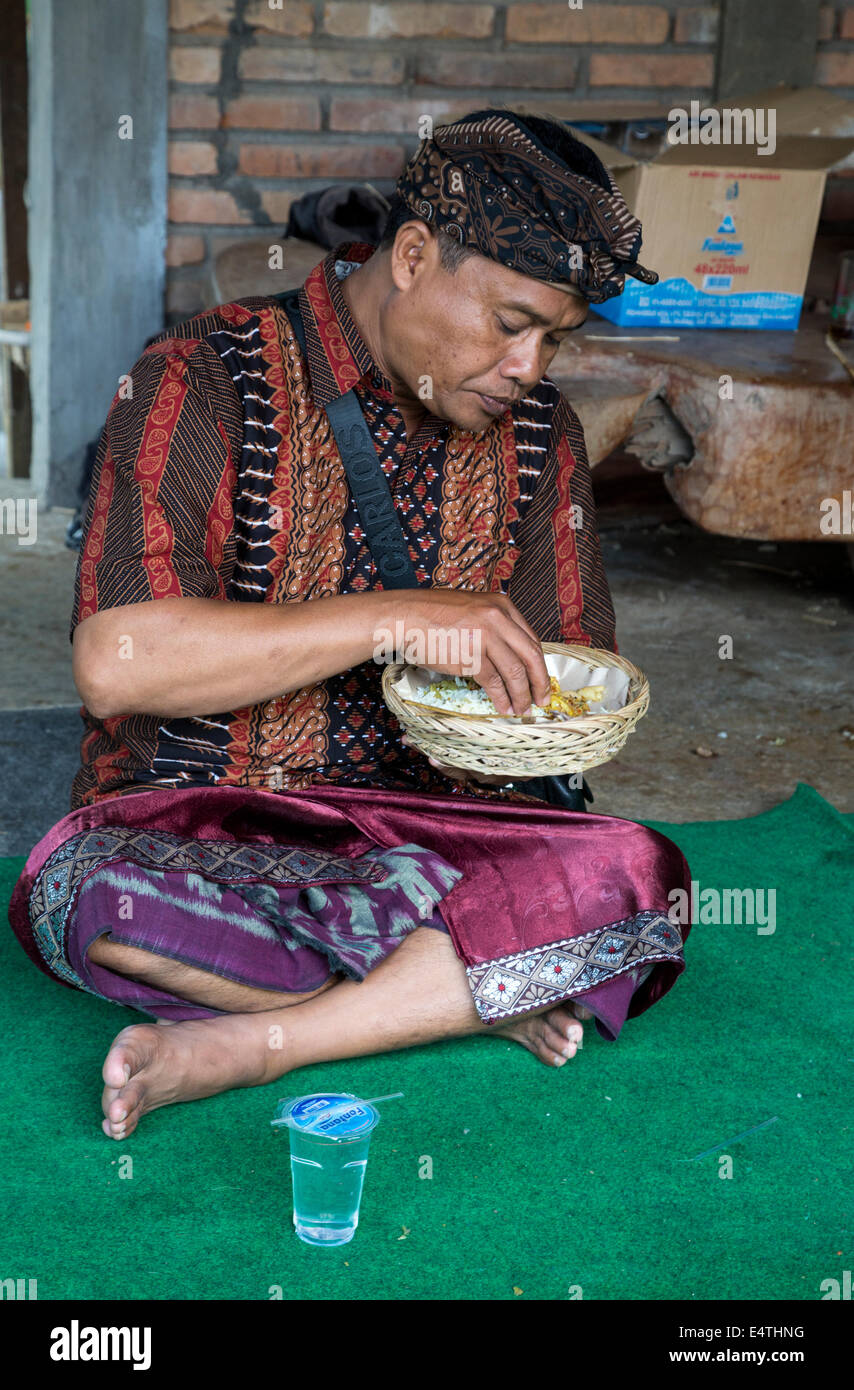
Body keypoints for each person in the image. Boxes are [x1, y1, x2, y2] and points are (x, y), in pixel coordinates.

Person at [9, 109, 691, 1141]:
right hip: (201, 838)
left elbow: (567, 676)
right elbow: (118, 662)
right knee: (89, 896)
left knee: (637, 877)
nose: (529, 365)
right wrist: (394, 619)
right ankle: (469, 984)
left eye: (555, 336)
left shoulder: (539, 433)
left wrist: (531, 707)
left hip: (428, 846)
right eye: (511, 321)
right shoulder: (198, 377)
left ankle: (248, 1039)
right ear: (412, 256)